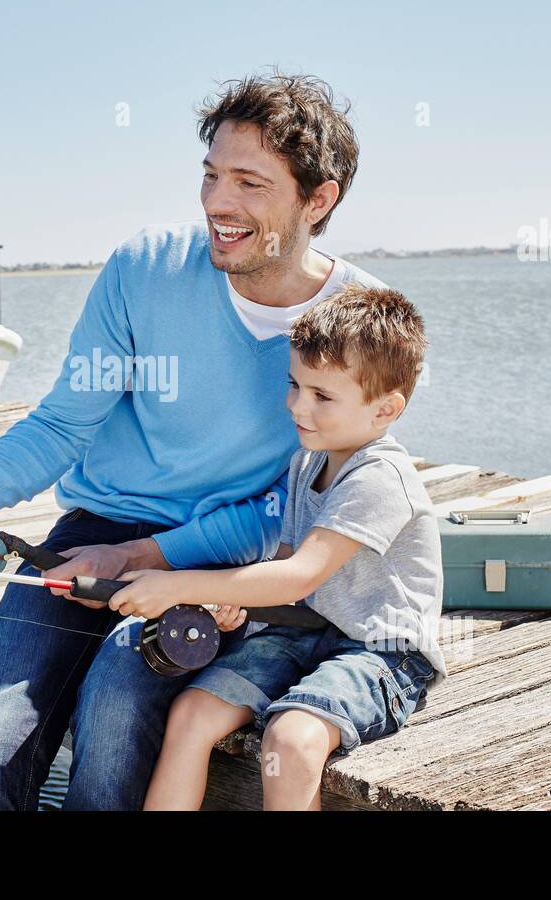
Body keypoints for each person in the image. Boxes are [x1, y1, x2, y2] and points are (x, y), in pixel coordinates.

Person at [0, 70, 387, 810]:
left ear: (319, 199)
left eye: (250, 183)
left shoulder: (360, 326)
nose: (220, 203)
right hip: (89, 534)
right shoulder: (143, 267)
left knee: (114, 719)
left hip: (217, 564)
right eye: (212, 175)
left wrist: (142, 561)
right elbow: (65, 421)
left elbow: (292, 508)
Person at [112, 284, 448, 811]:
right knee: (191, 715)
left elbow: (300, 577)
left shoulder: (379, 478)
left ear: (386, 409)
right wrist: (235, 602)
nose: (297, 405)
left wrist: (175, 584)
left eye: (322, 396)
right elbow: (284, 568)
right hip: (304, 628)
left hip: (382, 652)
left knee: (289, 741)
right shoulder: (308, 460)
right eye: (295, 385)